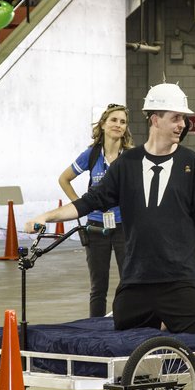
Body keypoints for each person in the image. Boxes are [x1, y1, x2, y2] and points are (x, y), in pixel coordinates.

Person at [25, 83, 195, 333]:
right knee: (124, 330)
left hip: (179, 277)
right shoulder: (127, 163)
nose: (182, 124)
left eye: (183, 118)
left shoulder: (190, 162)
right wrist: (46, 216)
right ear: (155, 120)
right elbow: (89, 202)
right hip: (137, 278)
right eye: (176, 118)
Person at [57, 104, 134, 317]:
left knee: (129, 282)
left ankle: (125, 323)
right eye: (114, 120)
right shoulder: (91, 155)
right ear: (103, 124)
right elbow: (64, 179)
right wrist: (80, 206)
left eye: (122, 122)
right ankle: (96, 328)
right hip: (95, 227)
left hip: (123, 227)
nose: (118, 125)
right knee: (98, 287)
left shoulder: (130, 157)